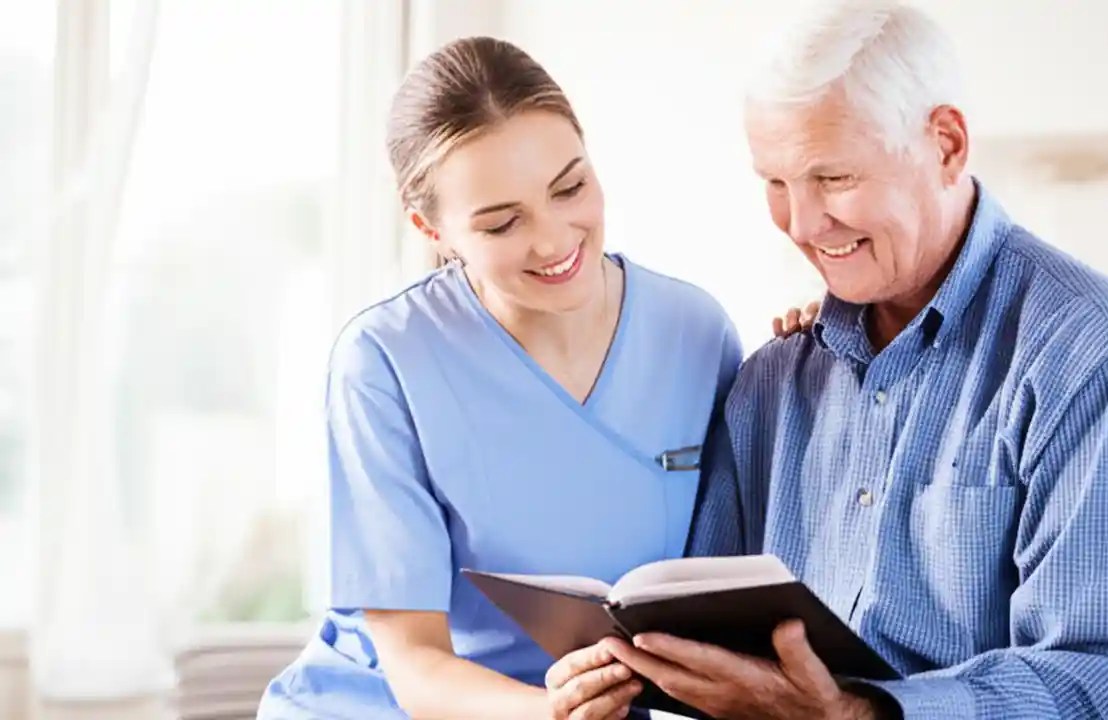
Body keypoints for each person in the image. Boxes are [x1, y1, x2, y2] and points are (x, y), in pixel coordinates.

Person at [548, 2, 1108, 718]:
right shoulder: (773, 383)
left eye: (834, 178)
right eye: (776, 183)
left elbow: (1104, 674)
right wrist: (624, 672)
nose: (802, 225)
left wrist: (855, 714)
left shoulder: (1104, 354)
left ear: (946, 146)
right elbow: (703, 634)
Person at [256, 36, 814, 720]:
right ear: (430, 228)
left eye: (570, 188)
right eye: (501, 224)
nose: (553, 241)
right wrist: (552, 712)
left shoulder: (694, 332)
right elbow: (416, 667)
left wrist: (823, 344)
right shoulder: (384, 361)